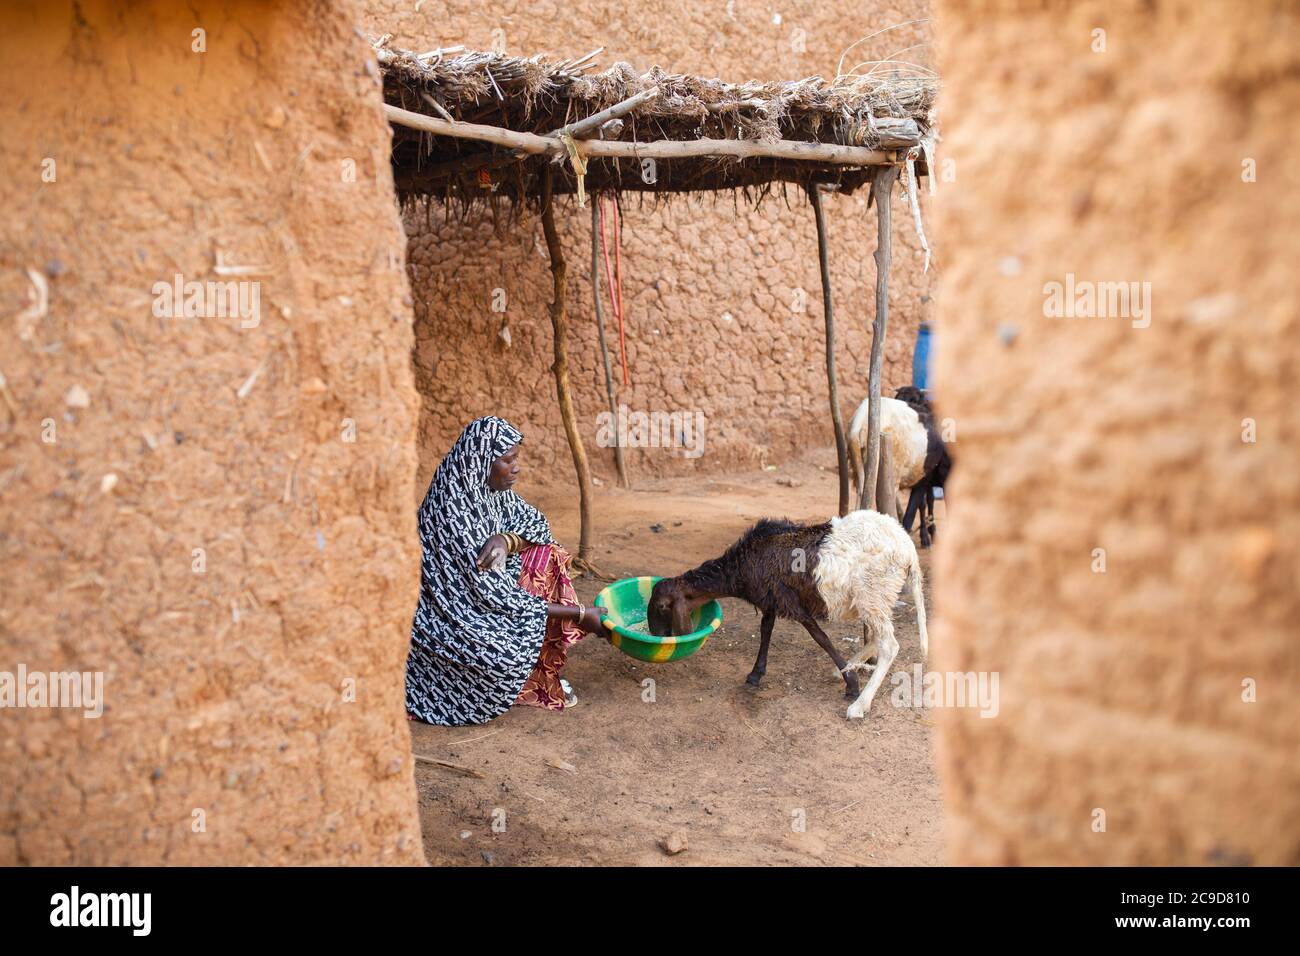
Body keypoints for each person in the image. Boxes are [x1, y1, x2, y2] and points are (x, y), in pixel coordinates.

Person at [405, 416, 607, 726]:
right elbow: (497, 598)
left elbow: (536, 523)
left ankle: (536, 673)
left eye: (516, 458)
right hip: (449, 616)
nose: (516, 467)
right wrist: (579, 614)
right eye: (507, 459)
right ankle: (518, 682)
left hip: (485, 595)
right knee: (505, 658)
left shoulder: (489, 491)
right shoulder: (454, 509)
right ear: (481, 461)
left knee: (546, 554)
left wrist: (506, 539)